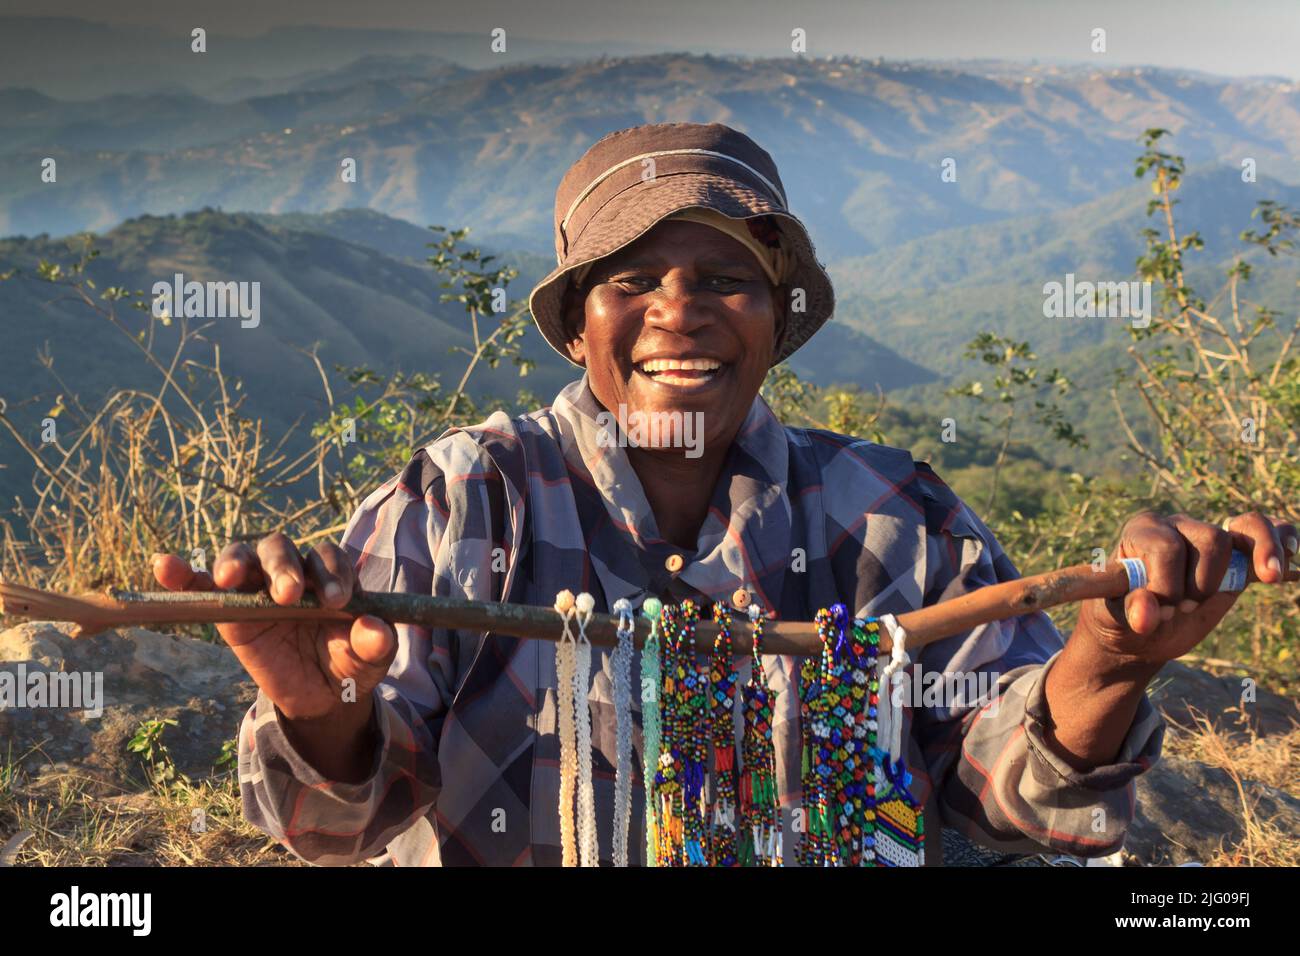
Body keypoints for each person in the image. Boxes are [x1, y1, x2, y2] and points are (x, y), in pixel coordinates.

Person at [152, 122, 1298, 866]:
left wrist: (1106, 662)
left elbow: (1016, 806)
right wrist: (316, 705)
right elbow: (336, 823)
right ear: (579, 324)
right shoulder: (467, 504)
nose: (679, 309)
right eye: (633, 279)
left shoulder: (897, 521)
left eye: (726, 280)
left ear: (775, 315)